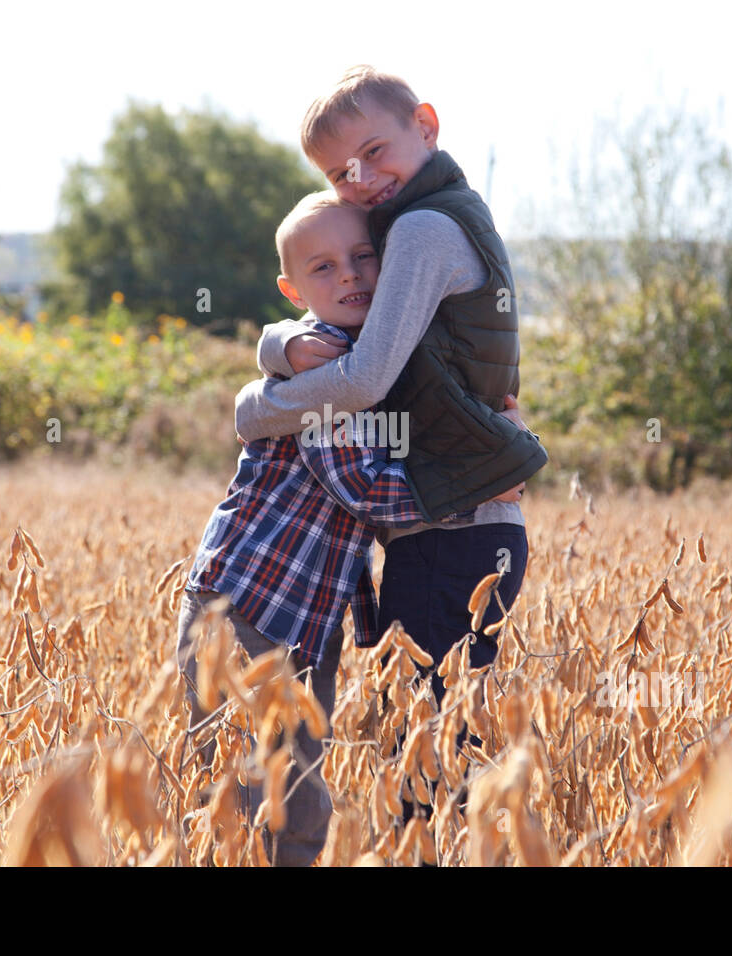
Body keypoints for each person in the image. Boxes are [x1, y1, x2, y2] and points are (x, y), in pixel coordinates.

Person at [177, 192, 522, 866]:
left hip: (300, 622)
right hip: (247, 612)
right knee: (259, 797)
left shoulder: (369, 355)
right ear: (293, 287)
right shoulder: (331, 366)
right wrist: (485, 481)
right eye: (325, 268)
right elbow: (366, 486)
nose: (351, 277)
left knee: (287, 789)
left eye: (365, 258)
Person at [238, 66, 547, 707]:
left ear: (426, 126)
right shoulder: (444, 215)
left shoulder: (419, 229)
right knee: (437, 728)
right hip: (466, 521)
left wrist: (257, 408)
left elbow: (366, 377)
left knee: (426, 742)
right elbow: (339, 331)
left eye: (373, 152)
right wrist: (279, 343)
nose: (362, 179)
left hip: (453, 529)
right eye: (338, 173)